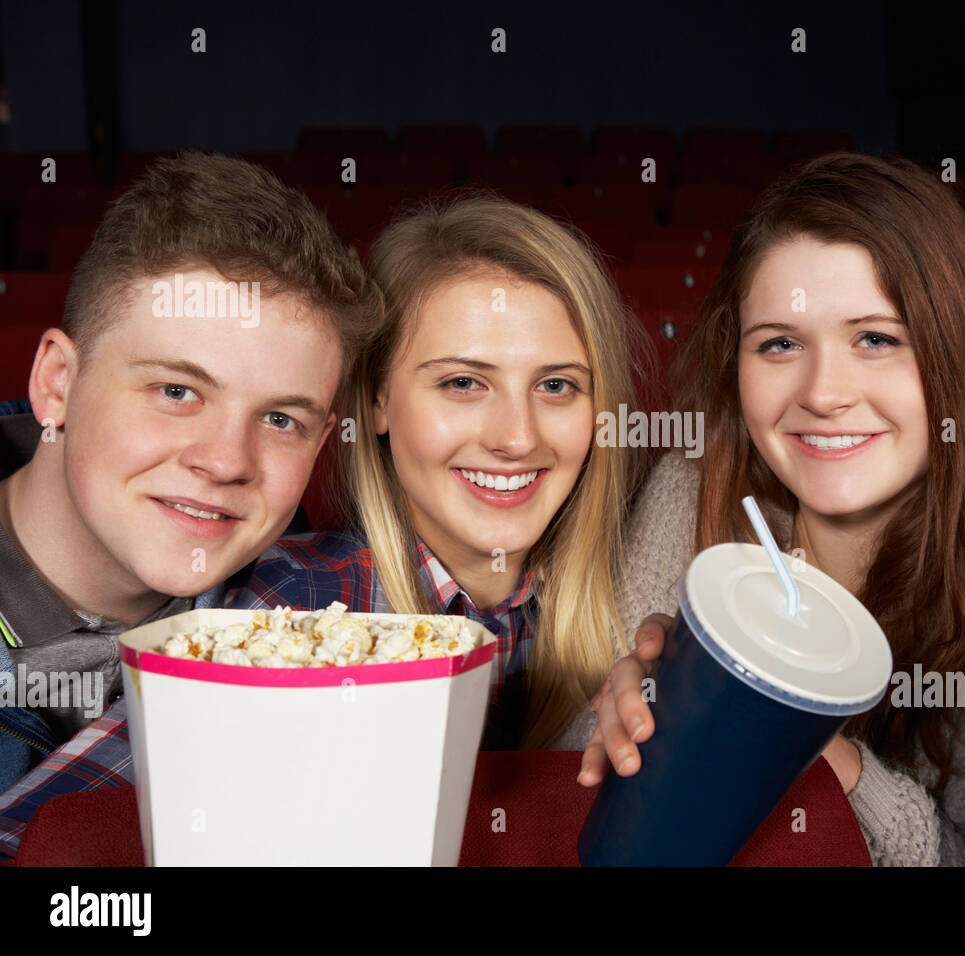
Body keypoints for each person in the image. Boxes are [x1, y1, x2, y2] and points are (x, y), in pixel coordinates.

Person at [577, 153, 965, 865]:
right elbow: (590, 801)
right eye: (781, 343)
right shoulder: (694, 488)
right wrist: (639, 719)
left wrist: (806, 737)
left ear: (957, 351)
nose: (825, 393)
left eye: (876, 339)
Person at [0, 153, 378, 854]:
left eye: (280, 420)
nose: (227, 460)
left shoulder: (322, 600)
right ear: (57, 384)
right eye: (177, 391)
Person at [229, 197, 645, 750]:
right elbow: (85, 812)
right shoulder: (288, 605)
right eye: (463, 383)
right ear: (378, 396)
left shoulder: (639, 602)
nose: (517, 438)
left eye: (555, 386)